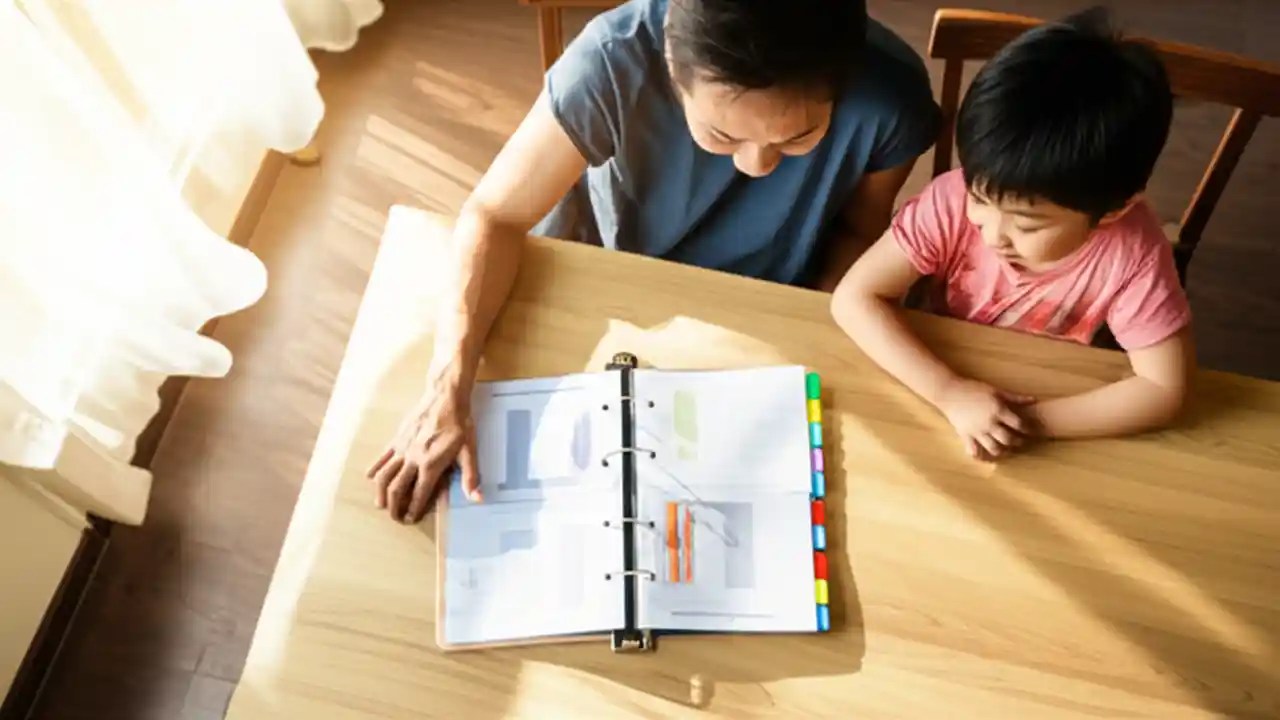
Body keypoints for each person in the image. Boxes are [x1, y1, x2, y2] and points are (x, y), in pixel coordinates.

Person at [367, 0, 941, 523]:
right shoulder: (612, 59)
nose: (757, 167)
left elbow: (856, 233)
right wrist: (447, 387)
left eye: (797, 138)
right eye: (721, 134)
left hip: (769, 305)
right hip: (609, 281)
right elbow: (494, 216)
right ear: (671, 63)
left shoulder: (890, 101)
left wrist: (792, 358)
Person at [830, 8, 1194, 462]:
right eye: (980, 199)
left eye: (1026, 224)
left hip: (1047, 388)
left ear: (1114, 209)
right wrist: (948, 392)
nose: (992, 234)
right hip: (937, 372)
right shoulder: (949, 201)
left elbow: (1163, 388)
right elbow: (854, 297)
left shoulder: (1132, 253)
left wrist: (1024, 422)